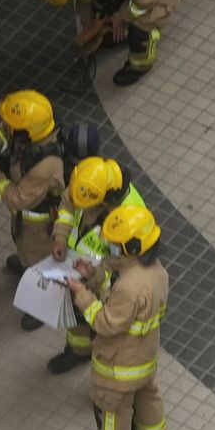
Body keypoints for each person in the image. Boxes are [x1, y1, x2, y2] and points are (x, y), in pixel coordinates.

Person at [64, 205, 169, 430]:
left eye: (114, 246)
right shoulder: (157, 272)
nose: (109, 249)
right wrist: (93, 275)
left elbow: (106, 323)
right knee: (147, 394)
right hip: (145, 357)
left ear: (132, 247)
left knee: (113, 408)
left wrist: (82, 295)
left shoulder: (129, 287)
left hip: (119, 365)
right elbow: (117, 287)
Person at [0, 90, 63, 332]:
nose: (6, 126)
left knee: (41, 259)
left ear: (26, 133)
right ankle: (28, 264)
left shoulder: (46, 166)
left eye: (11, 125)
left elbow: (17, 199)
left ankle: (45, 302)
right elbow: (4, 132)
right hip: (27, 221)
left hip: (39, 223)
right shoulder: (33, 129)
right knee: (25, 247)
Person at [47, 156, 143, 374]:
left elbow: (122, 264)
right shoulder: (90, 181)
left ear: (105, 201)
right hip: (78, 268)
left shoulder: (128, 217)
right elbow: (68, 203)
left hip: (104, 280)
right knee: (77, 313)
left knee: (104, 325)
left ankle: (103, 365)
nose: (82, 207)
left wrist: (93, 275)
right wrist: (60, 235)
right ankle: (79, 350)